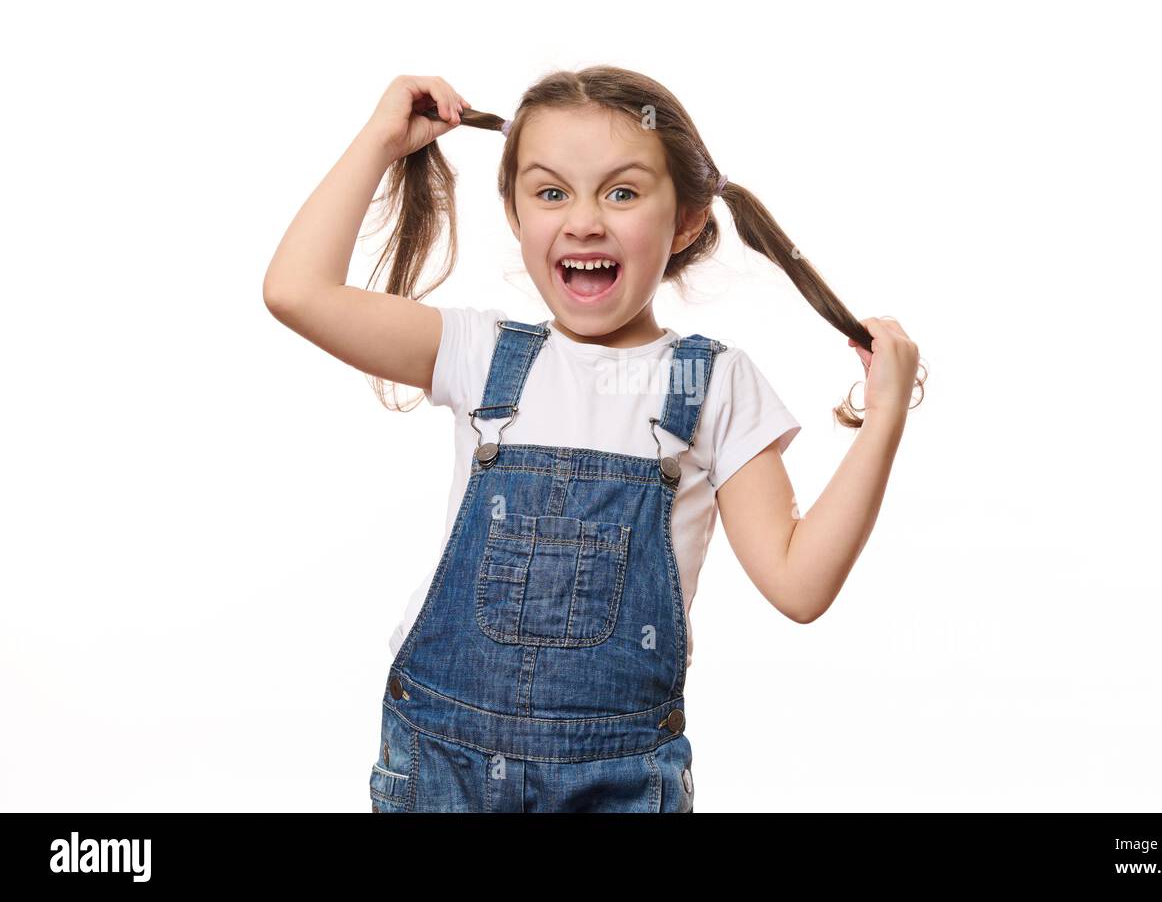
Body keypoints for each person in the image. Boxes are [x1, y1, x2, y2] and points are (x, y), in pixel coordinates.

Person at [263, 68, 925, 812]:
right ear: (515, 214)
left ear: (688, 220)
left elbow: (800, 586)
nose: (583, 221)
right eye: (550, 192)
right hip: (438, 762)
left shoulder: (714, 385)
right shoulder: (479, 354)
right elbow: (297, 291)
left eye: (622, 192)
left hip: (615, 782)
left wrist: (886, 417)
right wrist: (382, 140)